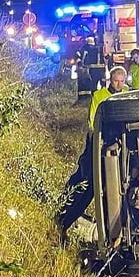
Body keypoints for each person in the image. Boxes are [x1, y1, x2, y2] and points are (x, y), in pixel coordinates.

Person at [56, 67, 128, 237]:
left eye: (121, 81)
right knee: (87, 186)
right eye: (116, 80)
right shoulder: (99, 96)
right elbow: (92, 123)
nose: (118, 84)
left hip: (119, 148)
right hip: (97, 147)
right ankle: (63, 218)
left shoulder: (127, 95)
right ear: (110, 80)